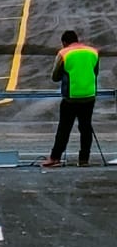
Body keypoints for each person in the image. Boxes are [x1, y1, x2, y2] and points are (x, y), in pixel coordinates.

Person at [41, 29, 100, 168]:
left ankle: (55, 158)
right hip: (89, 96)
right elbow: (95, 72)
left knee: (64, 128)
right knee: (85, 128)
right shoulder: (93, 52)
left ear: (64, 43)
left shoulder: (64, 53)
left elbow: (55, 76)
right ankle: (84, 159)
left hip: (71, 98)